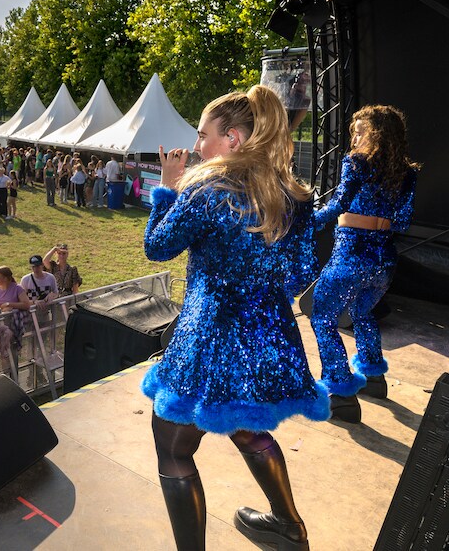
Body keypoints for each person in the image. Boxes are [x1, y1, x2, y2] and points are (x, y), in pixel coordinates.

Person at [142, 85, 326, 550]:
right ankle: (289, 526)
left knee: (173, 446)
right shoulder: (295, 196)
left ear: (234, 139)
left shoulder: (208, 189)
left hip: (211, 339)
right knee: (249, 427)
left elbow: (157, 247)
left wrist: (167, 186)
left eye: (203, 135)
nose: (197, 146)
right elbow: (302, 272)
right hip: (269, 337)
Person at [310, 105, 420, 422]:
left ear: (378, 134)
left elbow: (339, 204)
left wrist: (308, 222)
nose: (355, 139)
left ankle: (341, 394)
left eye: (360, 132)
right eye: (353, 132)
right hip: (384, 261)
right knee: (362, 312)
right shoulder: (407, 172)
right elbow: (403, 220)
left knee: (322, 318)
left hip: (352, 254)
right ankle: (373, 378)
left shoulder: (356, 162)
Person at [0, 266, 31, 378]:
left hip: (12, 326)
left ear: (6, 278)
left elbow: (26, 304)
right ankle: (4, 377)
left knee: (11, 352)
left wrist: (10, 304)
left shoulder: (17, 288)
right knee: (2, 355)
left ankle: (14, 378)